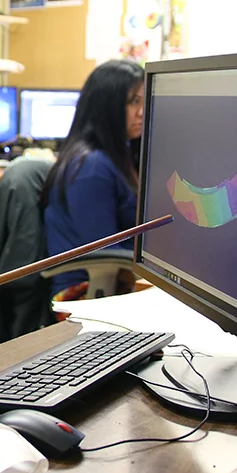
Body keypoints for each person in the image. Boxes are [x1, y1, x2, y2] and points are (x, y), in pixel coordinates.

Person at [42, 59, 145, 302]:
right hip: (85, 293)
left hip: (122, 278)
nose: (142, 111)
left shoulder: (124, 153)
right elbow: (106, 253)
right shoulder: (92, 167)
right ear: (107, 106)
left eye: (144, 100)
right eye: (133, 102)